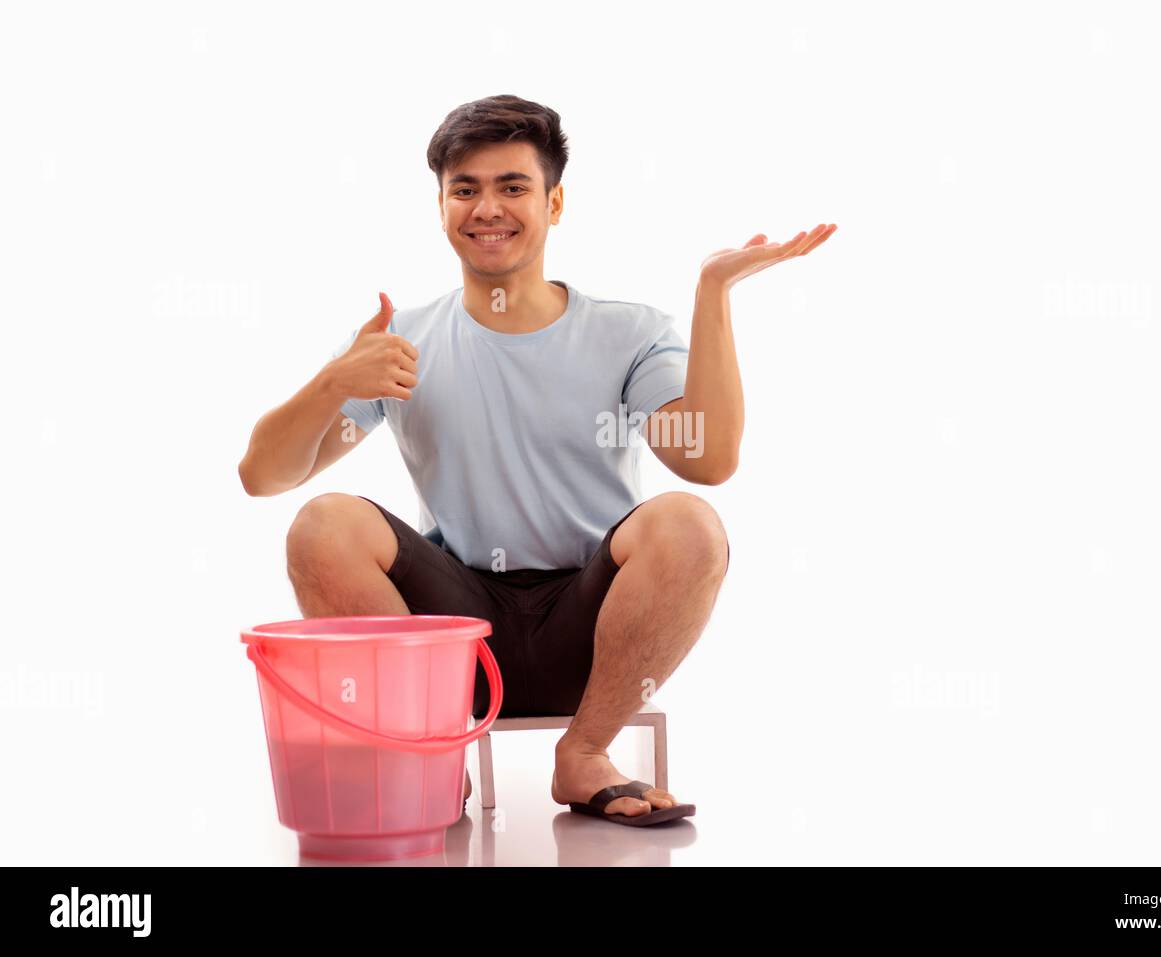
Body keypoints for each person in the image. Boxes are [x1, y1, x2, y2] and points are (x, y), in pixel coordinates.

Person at [238, 94, 836, 826]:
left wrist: (713, 291)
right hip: (455, 637)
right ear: (442, 207)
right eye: (466, 189)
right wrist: (334, 381)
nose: (488, 207)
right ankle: (425, 760)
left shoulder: (628, 332)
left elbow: (708, 461)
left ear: (554, 203)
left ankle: (584, 753)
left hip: (591, 629)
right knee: (321, 524)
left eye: (512, 186)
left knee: (692, 523)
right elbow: (262, 475)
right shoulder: (402, 341)